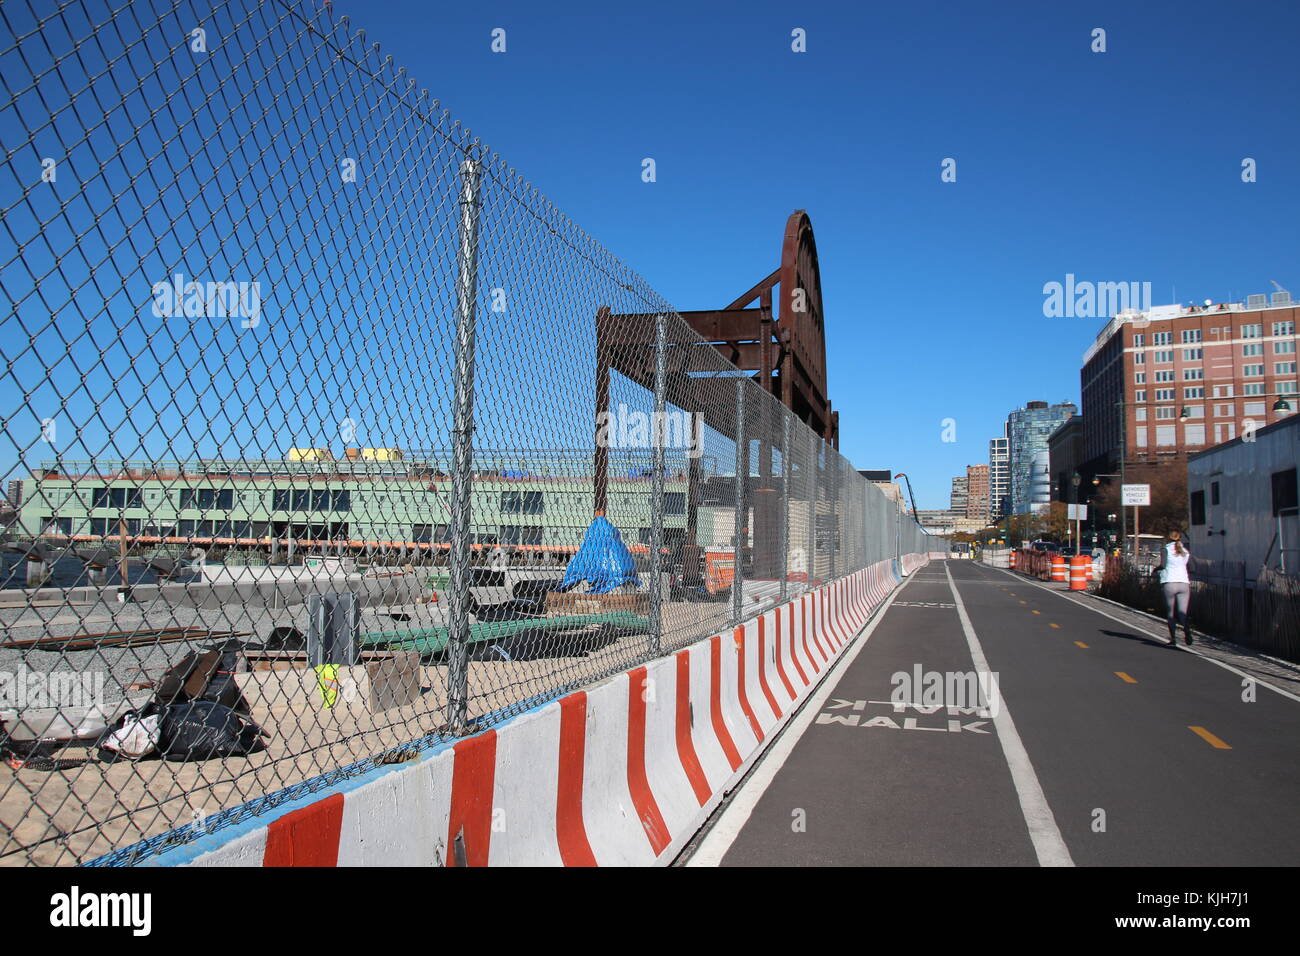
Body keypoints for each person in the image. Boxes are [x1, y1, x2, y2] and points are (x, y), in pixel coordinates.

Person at [1158, 530, 1192, 646]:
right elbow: (1190, 566)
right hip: (1184, 582)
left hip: (1170, 581)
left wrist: (1156, 570)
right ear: (1179, 538)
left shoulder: (1165, 549)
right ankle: (1186, 628)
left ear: (1169, 538)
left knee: (1170, 613)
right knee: (1182, 612)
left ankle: (1173, 639)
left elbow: (1163, 565)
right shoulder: (1185, 551)